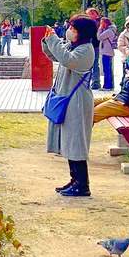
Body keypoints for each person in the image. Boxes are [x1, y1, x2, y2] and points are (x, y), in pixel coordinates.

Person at [42, 15, 98, 198]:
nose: (70, 31)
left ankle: (82, 185)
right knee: (69, 140)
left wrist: (54, 40)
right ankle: (74, 180)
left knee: (76, 142)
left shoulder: (86, 50)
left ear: (82, 32)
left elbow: (67, 59)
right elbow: (55, 55)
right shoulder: (74, 46)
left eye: (73, 28)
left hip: (78, 101)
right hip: (69, 98)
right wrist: (47, 40)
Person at [97, 17, 118, 91]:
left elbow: (99, 37)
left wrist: (100, 28)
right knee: (108, 69)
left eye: (102, 23)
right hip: (108, 51)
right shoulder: (110, 30)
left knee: (107, 70)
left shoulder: (109, 31)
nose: (101, 24)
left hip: (107, 52)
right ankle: (109, 85)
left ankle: (107, 86)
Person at [85, 8, 103, 89]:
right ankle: (86, 82)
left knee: (95, 64)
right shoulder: (86, 23)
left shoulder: (101, 23)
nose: (91, 15)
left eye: (92, 13)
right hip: (87, 46)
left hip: (95, 46)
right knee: (87, 65)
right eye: (89, 13)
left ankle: (96, 83)